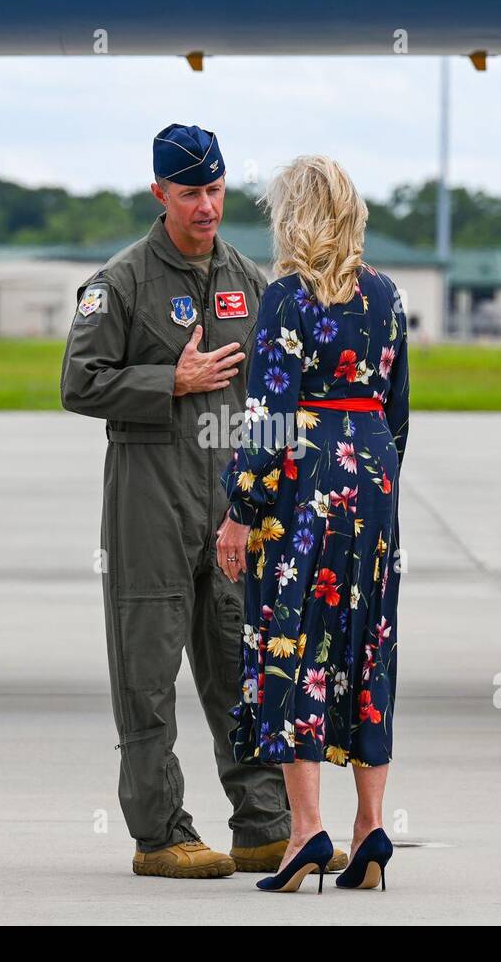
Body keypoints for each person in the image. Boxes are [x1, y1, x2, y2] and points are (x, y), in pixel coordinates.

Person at [61, 124, 346, 878]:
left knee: (239, 666)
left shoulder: (251, 283)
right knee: (147, 673)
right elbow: (78, 383)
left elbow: (280, 394)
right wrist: (168, 383)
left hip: (229, 507)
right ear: (159, 193)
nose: (207, 206)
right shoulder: (118, 283)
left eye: (215, 190)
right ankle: (159, 834)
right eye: (190, 193)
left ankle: (262, 823)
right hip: (149, 502)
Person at [217, 155, 410, 893]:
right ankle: (371, 827)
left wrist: (241, 510)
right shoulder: (387, 296)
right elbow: (396, 408)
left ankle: (306, 832)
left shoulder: (287, 299)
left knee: (294, 637)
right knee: (369, 641)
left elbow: (269, 417)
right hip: (373, 476)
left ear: (293, 217)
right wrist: (377, 485)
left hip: (307, 477)